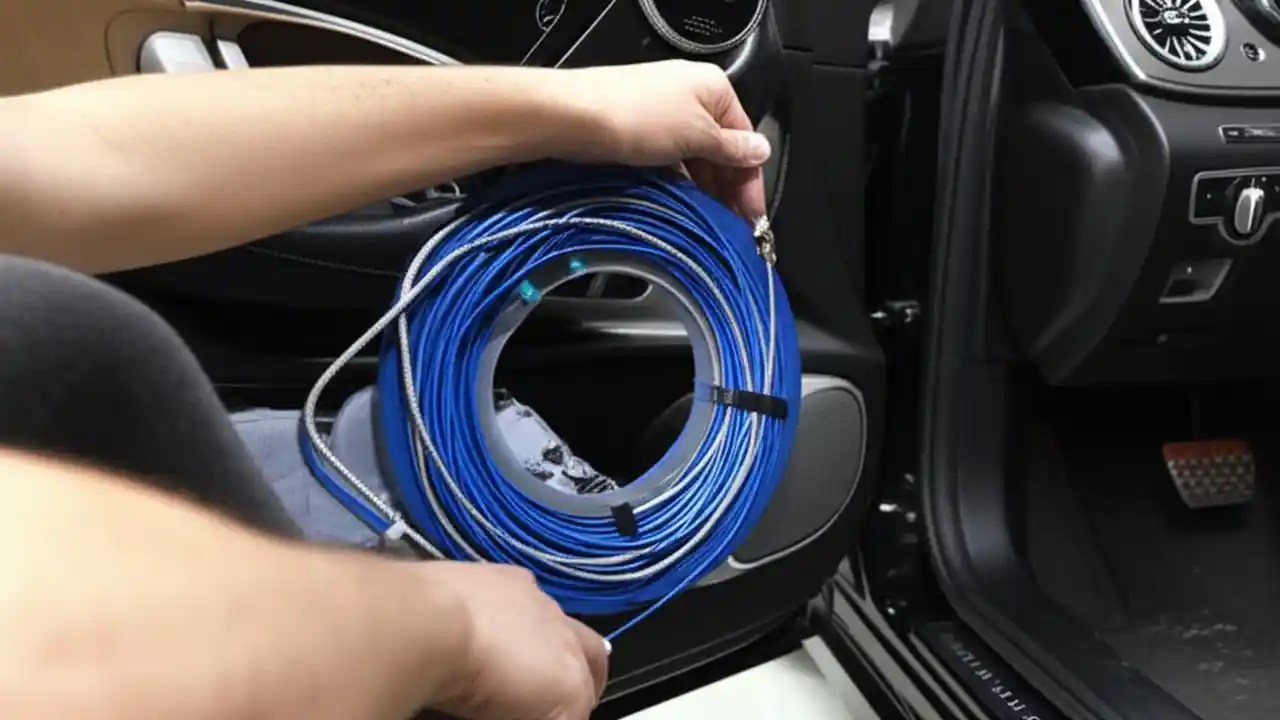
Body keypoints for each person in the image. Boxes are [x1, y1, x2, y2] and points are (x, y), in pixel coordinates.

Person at [0, 61, 772, 719]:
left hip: (276, 540)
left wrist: (563, 106)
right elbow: (38, 641)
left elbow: (83, 159)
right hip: (304, 642)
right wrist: (447, 635)